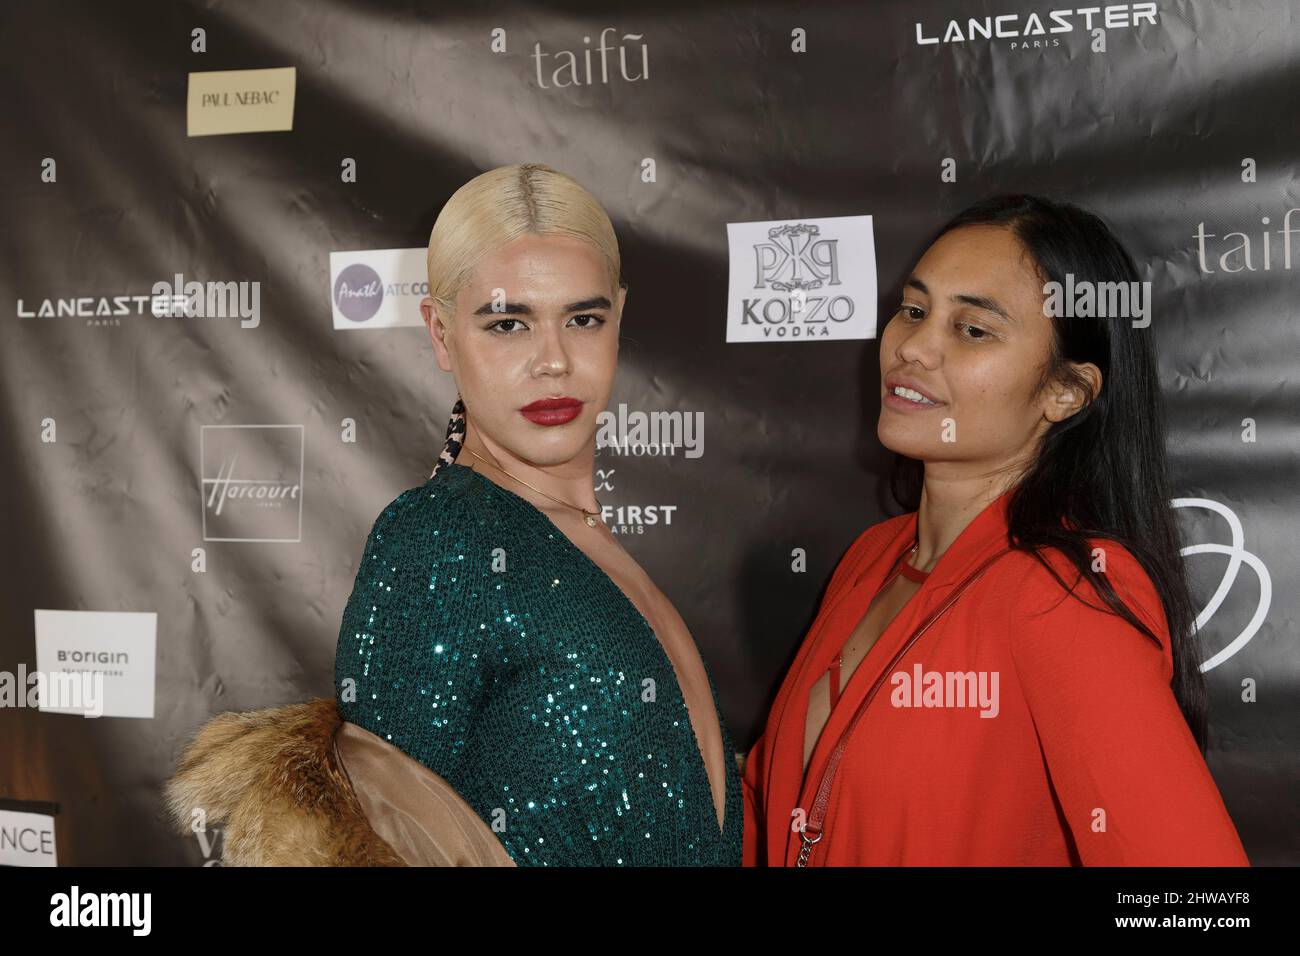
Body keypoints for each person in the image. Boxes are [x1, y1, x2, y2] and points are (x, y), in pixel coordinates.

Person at [741, 195, 1250, 866]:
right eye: (915, 310)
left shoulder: (1063, 591)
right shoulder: (873, 557)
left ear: (1064, 392)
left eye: (973, 329)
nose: (914, 348)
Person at [334, 162, 741, 865]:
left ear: (618, 319)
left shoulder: (589, 541)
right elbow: (375, 848)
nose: (553, 361)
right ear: (439, 333)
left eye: (583, 319)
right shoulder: (440, 539)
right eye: (507, 324)